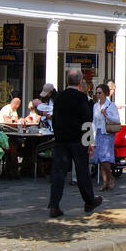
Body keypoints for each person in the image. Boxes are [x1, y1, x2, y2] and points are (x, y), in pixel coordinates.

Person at [47, 68, 102, 218]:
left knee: (58, 173)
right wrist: (90, 142)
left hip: (61, 140)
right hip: (77, 140)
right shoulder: (81, 98)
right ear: (79, 81)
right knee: (82, 171)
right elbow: (86, 121)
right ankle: (89, 200)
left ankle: (54, 205)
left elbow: (55, 119)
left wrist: (57, 136)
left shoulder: (59, 97)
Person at [92, 83, 119, 191]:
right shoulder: (95, 106)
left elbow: (117, 119)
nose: (98, 95)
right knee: (99, 158)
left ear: (105, 93)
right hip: (98, 132)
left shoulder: (111, 105)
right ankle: (105, 182)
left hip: (107, 133)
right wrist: (92, 135)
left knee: (105, 158)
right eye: (97, 93)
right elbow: (94, 121)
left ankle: (110, 178)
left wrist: (106, 115)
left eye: (100, 93)